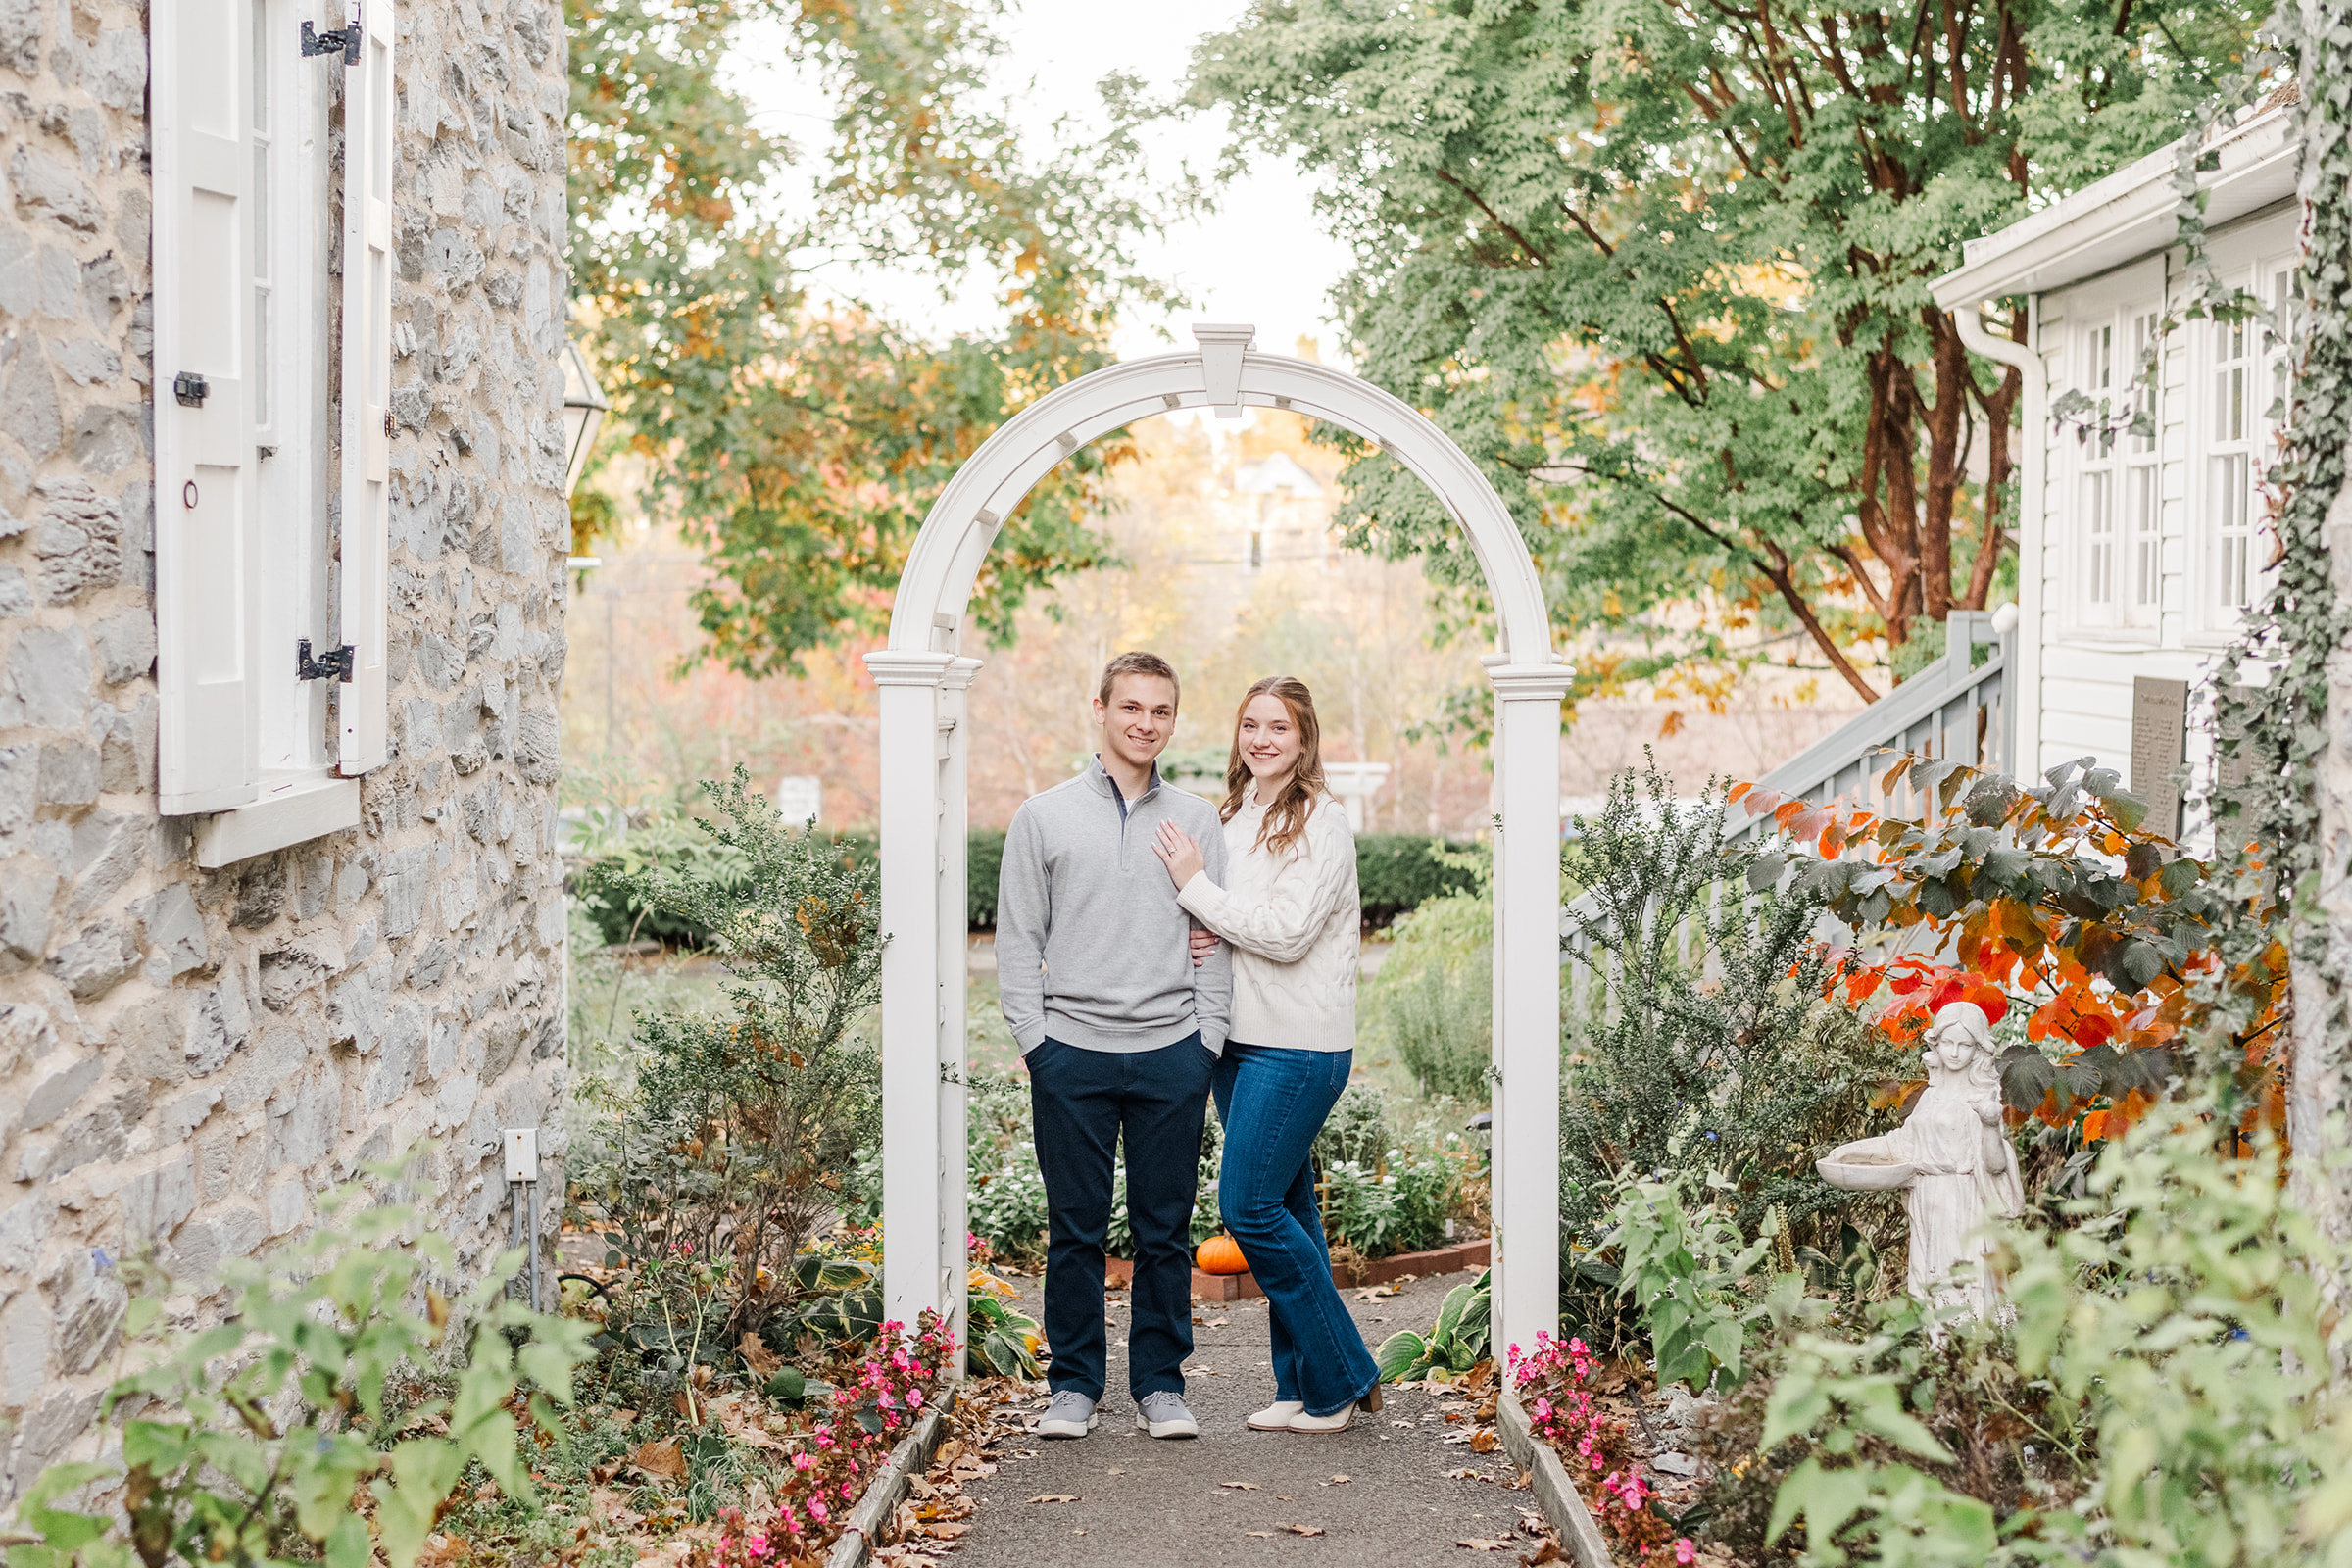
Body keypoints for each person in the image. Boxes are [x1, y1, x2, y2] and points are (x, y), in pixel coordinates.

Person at [996, 651, 1234, 1442]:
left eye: (1160, 711)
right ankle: (1073, 1387)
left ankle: (1161, 1386)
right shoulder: (1044, 815)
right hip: (1071, 1051)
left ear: (1173, 719)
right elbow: (1018, 936)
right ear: (1098, 708)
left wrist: (1207, 1040)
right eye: (1131, 707)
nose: (1145, 723)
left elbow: (1217, 937)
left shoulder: (1197, 819)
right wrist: (1036, 1042)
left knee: (1164, 1230)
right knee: (1076, 1228)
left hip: (1172, 1050)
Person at [1151, 674, 1383, 1433]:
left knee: (1247, 1206)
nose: (1261, 739)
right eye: (1250, 724)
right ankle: (1301, 1386)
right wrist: (1199, 920)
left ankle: (1345, 1376)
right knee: (1288, 1209)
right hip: (1235, 1040)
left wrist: (1196, 891)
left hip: (1299, 1044)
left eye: (1278, 727)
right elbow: (1223, 921)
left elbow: (1283, 933)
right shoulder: (1231, 814)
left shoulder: (1323, 821)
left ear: (1304, 739)